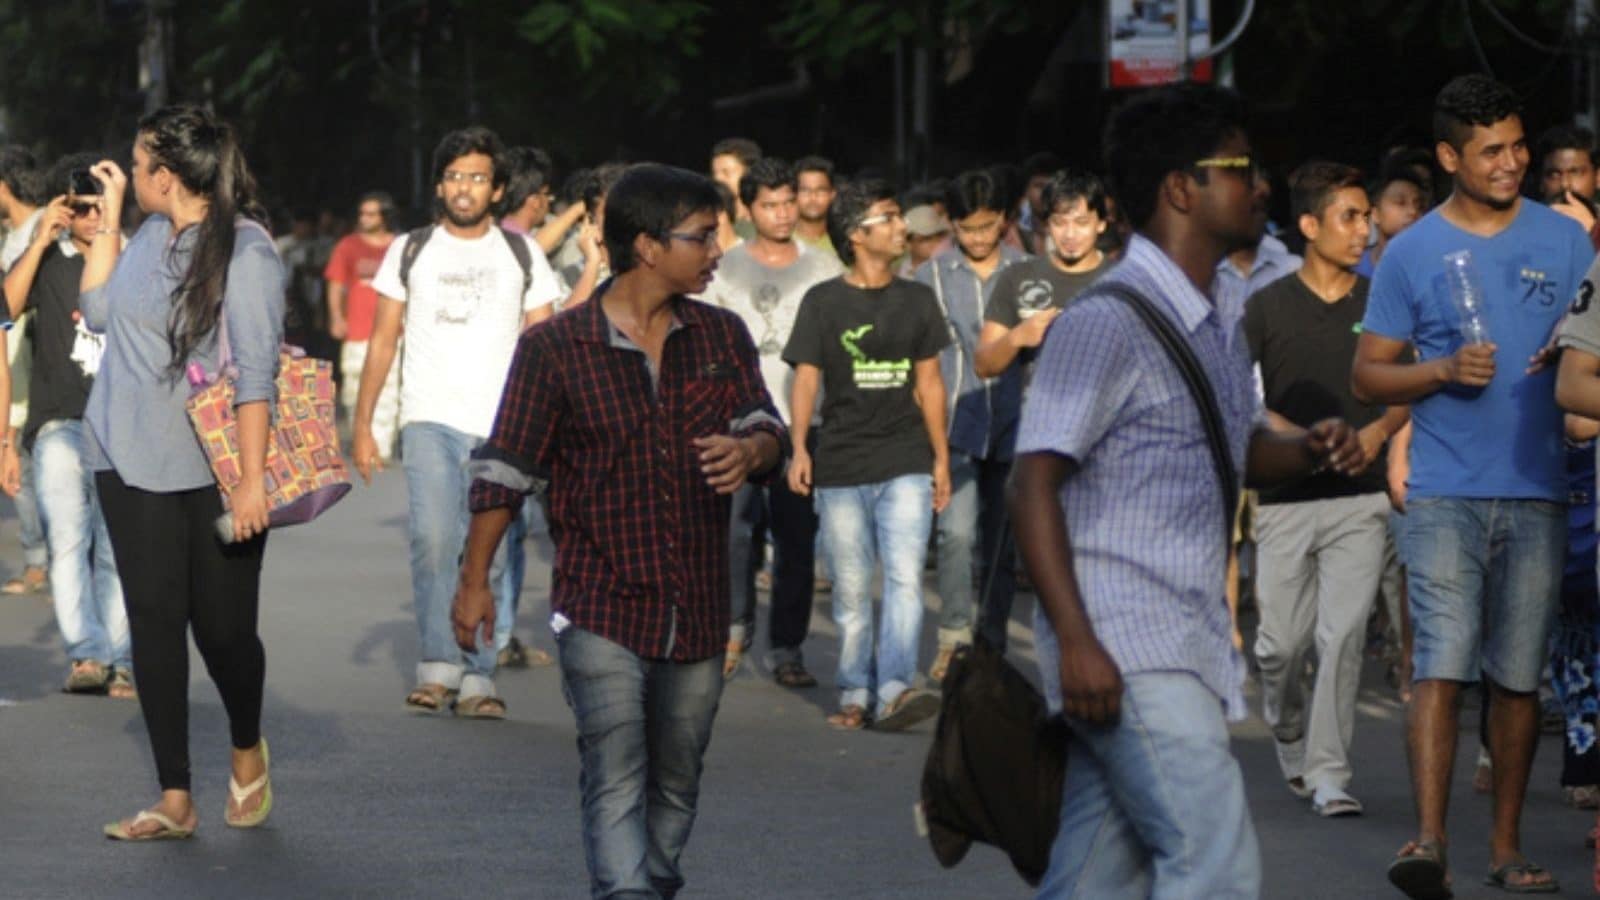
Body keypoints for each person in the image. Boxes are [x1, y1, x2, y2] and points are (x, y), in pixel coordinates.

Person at [1011, 82, 1361, 899]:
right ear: (1181, 187)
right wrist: (1078, 640)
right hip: (1126, 644)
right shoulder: (1107, 319)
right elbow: (1032, 482)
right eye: (1241, 167)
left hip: (1181, 637)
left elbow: (1235, 454)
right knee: (1215, 864)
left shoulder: (1222, 308)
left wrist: (1306, 449)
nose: (1261, 184)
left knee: (1096, 878)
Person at [452, 163, 785, 899]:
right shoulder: (554, 349)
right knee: (615, 763)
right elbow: (506, 470)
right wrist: (473, 582)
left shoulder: (722, 336)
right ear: (647, 246)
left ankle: (652, 883)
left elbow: (768, 425)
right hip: (599, 599)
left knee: (678, 773)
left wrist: (753, 449)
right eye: (702, 238)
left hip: (697, 605)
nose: (715, 251)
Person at [1353, 74, 1593, 896]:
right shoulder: (1411, 250)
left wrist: (1567, 359)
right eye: (1491, 150)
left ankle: (1506, 848)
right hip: (1446, 491)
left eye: (1519, 145)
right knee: (1442, 665)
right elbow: (1368, 375)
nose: (1512, 162)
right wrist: (1442, 369)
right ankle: (1427, 842)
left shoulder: (1567, 241)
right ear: (1450, 155)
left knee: (1518, 677)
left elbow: (1590, 344)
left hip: (1540, 488)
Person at [83, 105, 285, 840]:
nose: (131, 176)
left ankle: (244, 744)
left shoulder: (246, 251)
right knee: (155, 625)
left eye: (136, 168)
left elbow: (258, 374)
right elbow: (98, 312)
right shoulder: (144, 239)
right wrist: (107, 224)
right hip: (123, 459)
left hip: (215, 469)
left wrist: (253, 480)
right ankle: (175, 796)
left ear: (165, 176)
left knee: (225, 632)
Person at [352, 126, 561, 721]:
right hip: (430, 419)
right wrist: (366, 424)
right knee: (432, 538)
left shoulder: (522, 254)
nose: (464, 187)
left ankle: (479, 675)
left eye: (476, 177)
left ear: (497, 190)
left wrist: (545, 429)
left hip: (502, 428)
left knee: (488, 551)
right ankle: (440, 666)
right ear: (440, 186)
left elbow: (542, 345)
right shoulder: (411, 249)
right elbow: (383, 338)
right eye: (453, 176)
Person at [1244, 161, 1408, 819]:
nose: (1364, 230)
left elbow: (1410, 385)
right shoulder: (1265, 306)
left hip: (1361, 499)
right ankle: (1285, 725)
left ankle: (1330, 774)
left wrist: (1376, 435)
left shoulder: (1382, 303)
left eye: (1368, 216)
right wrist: (1302, 438)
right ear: (1310, 225)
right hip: (1284, 499)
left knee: (1340, 638)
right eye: (1351, 216)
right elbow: (1242, 400)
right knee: (1280, 646)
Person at [785, 178, 951, 731]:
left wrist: (941, 459)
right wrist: (798, 447)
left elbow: (930, 385)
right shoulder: (823, 302)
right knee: (853, 588)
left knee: (904, 579)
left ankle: (897, 689)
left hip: (906, 458)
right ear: (858, 235)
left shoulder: (919, 300)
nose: (902, 227)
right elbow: (806, 379)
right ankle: (855, 691)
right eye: (889, 217)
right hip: (841, 461)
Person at [698, 157, 842, 686]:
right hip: (733, 424)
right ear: (748, 209)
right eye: (770, 205)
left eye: (788, 203)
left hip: (801, 424)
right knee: (733, 534)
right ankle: (732, 627)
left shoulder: (824, 269)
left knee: (796, 537)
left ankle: (786, 646)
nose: (782, 214)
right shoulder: (725, 267)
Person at [3, 153, 124, 697]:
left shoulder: (132, 253)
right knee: (69, 538)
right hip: (58, 420)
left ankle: (121, 657)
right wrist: (41, 238)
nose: (91, 217)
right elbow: (5, 306)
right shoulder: (49, 259)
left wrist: (115, 226)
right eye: (79, 208)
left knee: (116, 546)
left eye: (98, 204)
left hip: (122, 422)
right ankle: (87, 655)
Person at [915, 169, 1027, 675]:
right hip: (956, 422)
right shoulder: (932, 277)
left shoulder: (1030, 273)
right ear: (950, 224)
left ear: (1004, 221)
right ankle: (954, 635)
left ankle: (993, 639)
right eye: (967, 228)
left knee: (1003, 542)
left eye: (987, 226)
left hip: (1017, 423)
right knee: (956, 534)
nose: (978, 238)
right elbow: (928, 362)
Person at [975, 168, 1112, 387]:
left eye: (1081, 222)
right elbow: (983, 365)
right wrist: (1018, 336)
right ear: (1047, 224)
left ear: (1102, 223)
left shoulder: (1122, 282)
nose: (1070, 234)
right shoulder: (1018, 277)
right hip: (1037, 417)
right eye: (1059, 223)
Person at [0, 145, 50, 598]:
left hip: (32, 372)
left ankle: (39, 562)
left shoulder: (41, 230)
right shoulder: (13, 235)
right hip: (15, 367)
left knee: (26, 472)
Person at [323, 192, 398, 458]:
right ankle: (362, 440)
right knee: (355, 387)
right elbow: (336, 284)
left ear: (384, 216)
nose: (364, 218)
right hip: (357, 330)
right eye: (362, 213)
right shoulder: (348, 246)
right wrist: (336, 316)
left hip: (392, 331)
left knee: (389, 389)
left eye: (371, 214)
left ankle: (383, 446)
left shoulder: (399, 246)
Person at [1354, 165, 1428, 278]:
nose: (1413, 211)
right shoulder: (1353, 268)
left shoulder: (1433, 263)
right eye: (1400, 202)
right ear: (1375, 214)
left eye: (1419, 206)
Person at [710, 137, 761, 239]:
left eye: (726, 172)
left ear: (749, 173)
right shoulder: (709, 220)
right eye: (714, 173)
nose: (718, 179)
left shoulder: (763, 220)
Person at [794, 155, 837, 252]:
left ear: (832, 195)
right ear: (793, 194)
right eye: (804, 190)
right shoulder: (778, 242)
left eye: (821, 190)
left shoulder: (844, 248)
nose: (813, 197)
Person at [898, 204, 949, 278]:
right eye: (927, 239)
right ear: (908, 244)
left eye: (940, 235)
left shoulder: (956, 269)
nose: (937, 242)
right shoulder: (897, 277)